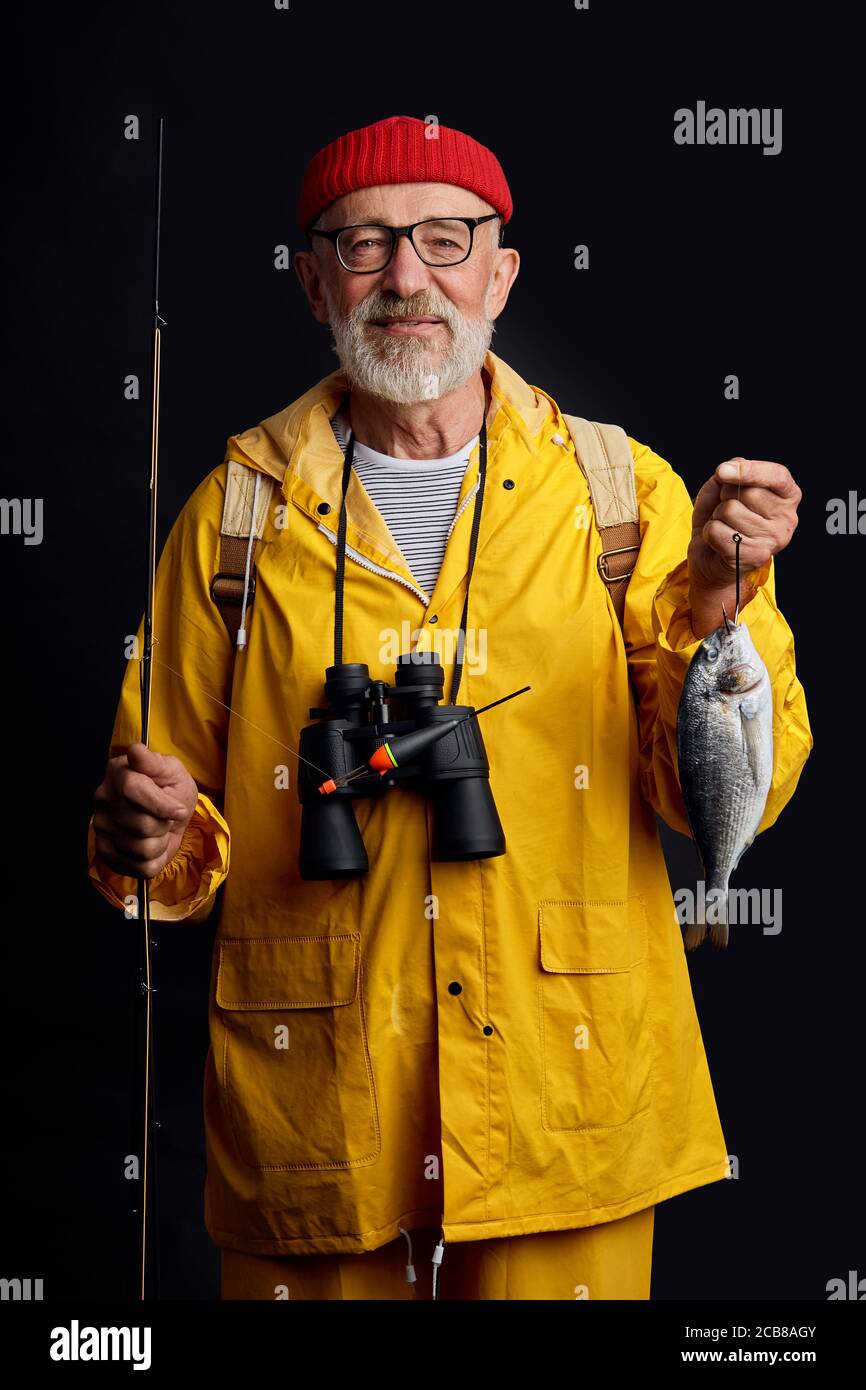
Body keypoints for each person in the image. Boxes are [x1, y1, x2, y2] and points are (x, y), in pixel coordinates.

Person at [88, 114, 812, 1301]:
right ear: (313, 280)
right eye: (364, 246)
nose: (407, 277)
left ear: (500, 270)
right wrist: (150, 836)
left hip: (564, 1105)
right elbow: (159, 828)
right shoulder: (233, 518)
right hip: (313, 1108)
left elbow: (723, 791)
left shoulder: (621, 496)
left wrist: (725, 596)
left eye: (442, 237)